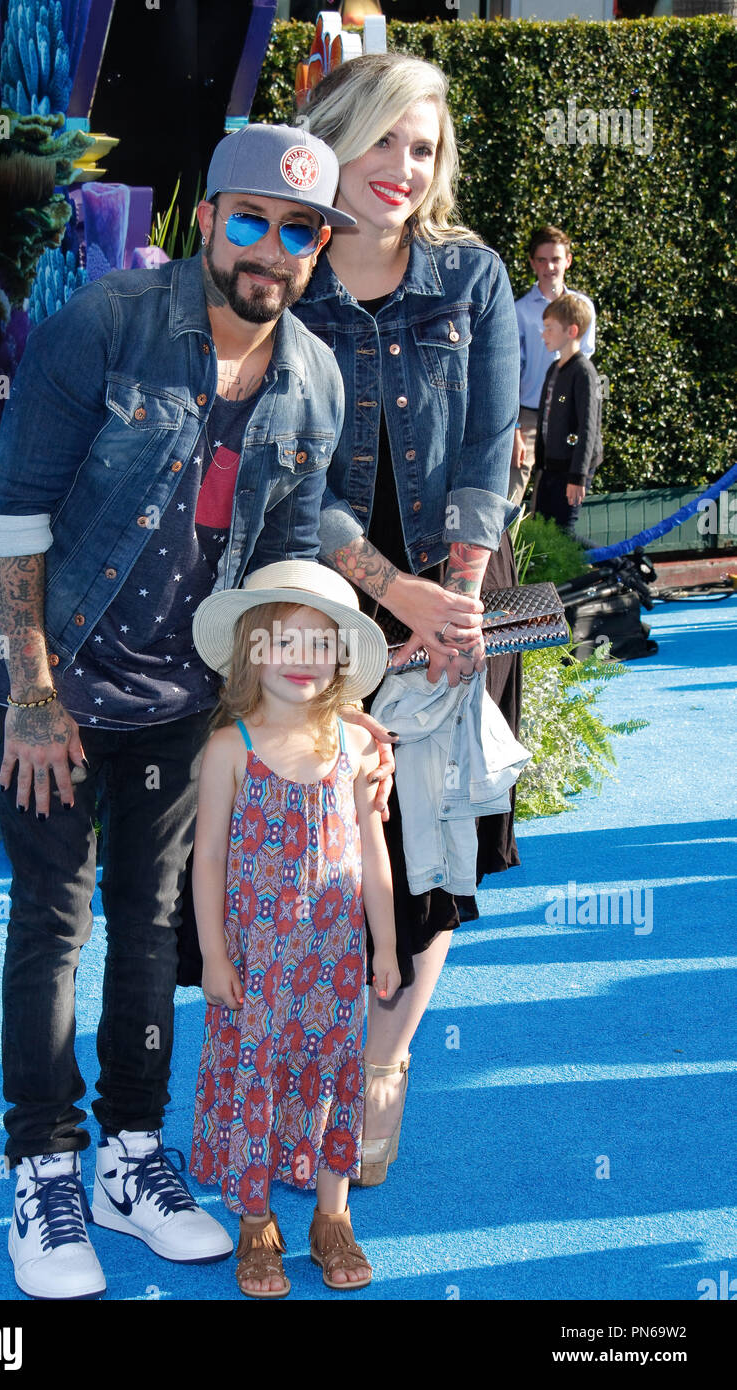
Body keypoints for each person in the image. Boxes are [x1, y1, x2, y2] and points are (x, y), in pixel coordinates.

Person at [0, 122, 357, 1300]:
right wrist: (34, 693)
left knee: (149, 924)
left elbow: (286, 571)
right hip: (53, 686)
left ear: (319, 249)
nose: (269, 250)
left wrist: (319, 719)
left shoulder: (314, 382)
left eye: (298, 232)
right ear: (206, 223)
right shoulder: (108, 325)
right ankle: (42, 1166)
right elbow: (14, 513)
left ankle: (134, 1159)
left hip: (177, 700)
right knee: (56, 918)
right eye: (249, 221)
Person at [294, 52, 522, 1185]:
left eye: (420, 147)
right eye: (381, 138)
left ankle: (379, 1071)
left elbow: (488, 446)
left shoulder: (470, 275)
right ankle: (310, 1068)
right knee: (328, 858)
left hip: (456, 598)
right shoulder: (284, 276)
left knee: (429, 857)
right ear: (332, 135)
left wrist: (459, 595)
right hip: (327, 605)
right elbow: (287, 475)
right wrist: (395, 593)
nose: (401, 166)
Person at [188, 560, 401, 1297]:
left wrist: (387, 946)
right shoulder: (228, 750)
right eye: (283, 642)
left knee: (335, 1075)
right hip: (257, 963)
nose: (301, 661)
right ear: (250, 651)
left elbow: (374, 857)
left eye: (319, 645)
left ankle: (332, 1218)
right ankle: (255, 1224)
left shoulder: (357, 748)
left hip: (335, 966)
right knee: (256, 1076)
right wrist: (214, 955)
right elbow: (207, 859)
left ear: (341, 658)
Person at [511, 225, 596, 503]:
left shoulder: (583, 308)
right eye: (543, 260)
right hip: (528, 418)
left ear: (568, 261)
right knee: (510, 497)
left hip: (566, 418)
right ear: (533, 263)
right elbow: (511, 372)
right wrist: (514, 428)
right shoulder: (519, 311)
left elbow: (584, 364)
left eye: (556, 259)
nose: (550, 267)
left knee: (558, 505)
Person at [532, 293, 603, 537]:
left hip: (570, 471)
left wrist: (578, 476)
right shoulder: (554, 369)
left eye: (550, 328)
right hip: (551, 469)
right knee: (544, 529)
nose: (544, 334)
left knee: (564, 534)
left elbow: (588, 428)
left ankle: (617, 565)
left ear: (571, 331)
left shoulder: (584, 372)